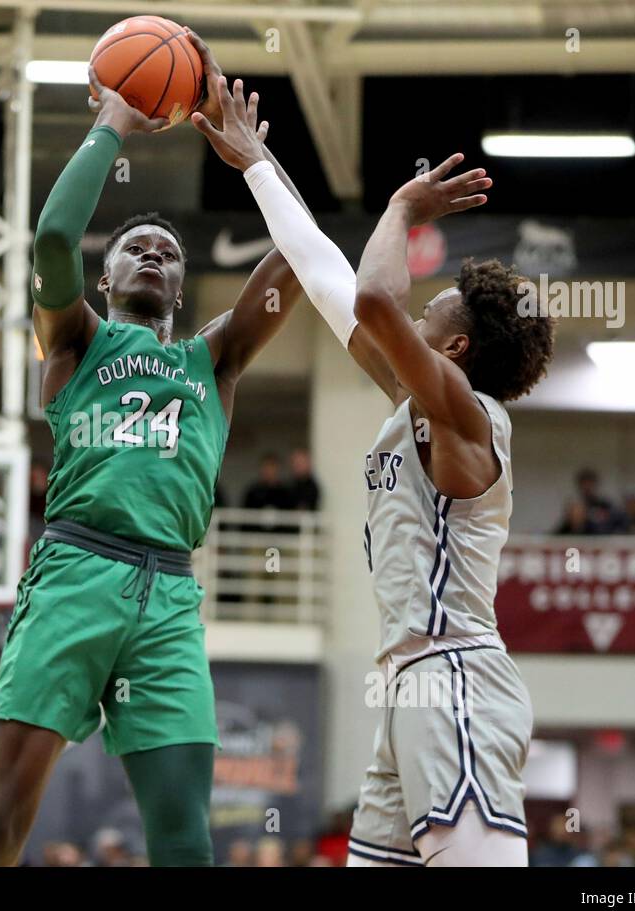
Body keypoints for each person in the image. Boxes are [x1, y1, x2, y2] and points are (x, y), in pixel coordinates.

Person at [0, 32, 306, 868]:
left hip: (171, 600)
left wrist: (258, 159)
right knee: (2, 817)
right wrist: (112, 119)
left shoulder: (212, 359)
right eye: (133, 250)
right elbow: (49, 239)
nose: (153, 253)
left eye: (169, 253)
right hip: (77, 571)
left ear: (181, 290)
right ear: (106, 280)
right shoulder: (75, 342)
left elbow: (301, 256)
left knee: (187, 838)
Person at [195, 79, 554, 866]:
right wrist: (256, 162)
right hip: (410, 686)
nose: (421, 310)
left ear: (455, 350)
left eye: (438, 312)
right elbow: (327, 277)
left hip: (455, 678)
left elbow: (374, 299)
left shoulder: (467, 412)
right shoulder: (416, 400)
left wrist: (398, 210)